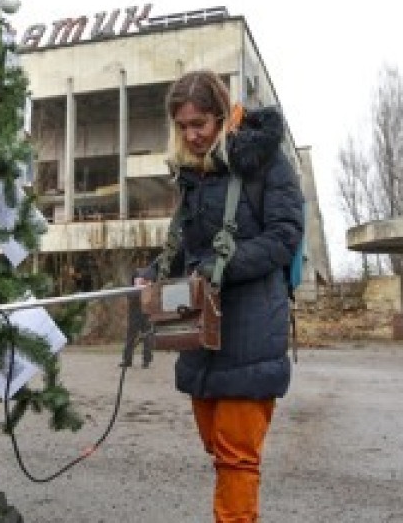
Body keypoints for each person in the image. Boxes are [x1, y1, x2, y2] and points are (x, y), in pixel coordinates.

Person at [135, 69, 304, 522]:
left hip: (251, 333)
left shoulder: (266, 164)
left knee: (236, 458)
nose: (191, 136)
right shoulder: (196, 176)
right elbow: (185, 248)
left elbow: (284, 237)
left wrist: (222, 266)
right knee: (219, 449)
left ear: (223, 116)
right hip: (200, 335)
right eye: (183, 127)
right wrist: (151, 274)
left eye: (200, 125)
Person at [119, 273, 153, 368]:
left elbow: (151, 301)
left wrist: (146, 287)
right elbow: (131, 299)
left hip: (146, 316)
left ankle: (146, 360)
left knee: (147, 338)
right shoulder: (132, 289)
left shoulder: (149, 288)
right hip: (134, 316)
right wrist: (137, 289)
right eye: (137, 279)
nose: (139, 281)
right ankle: (127, 360)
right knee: (130, 338)